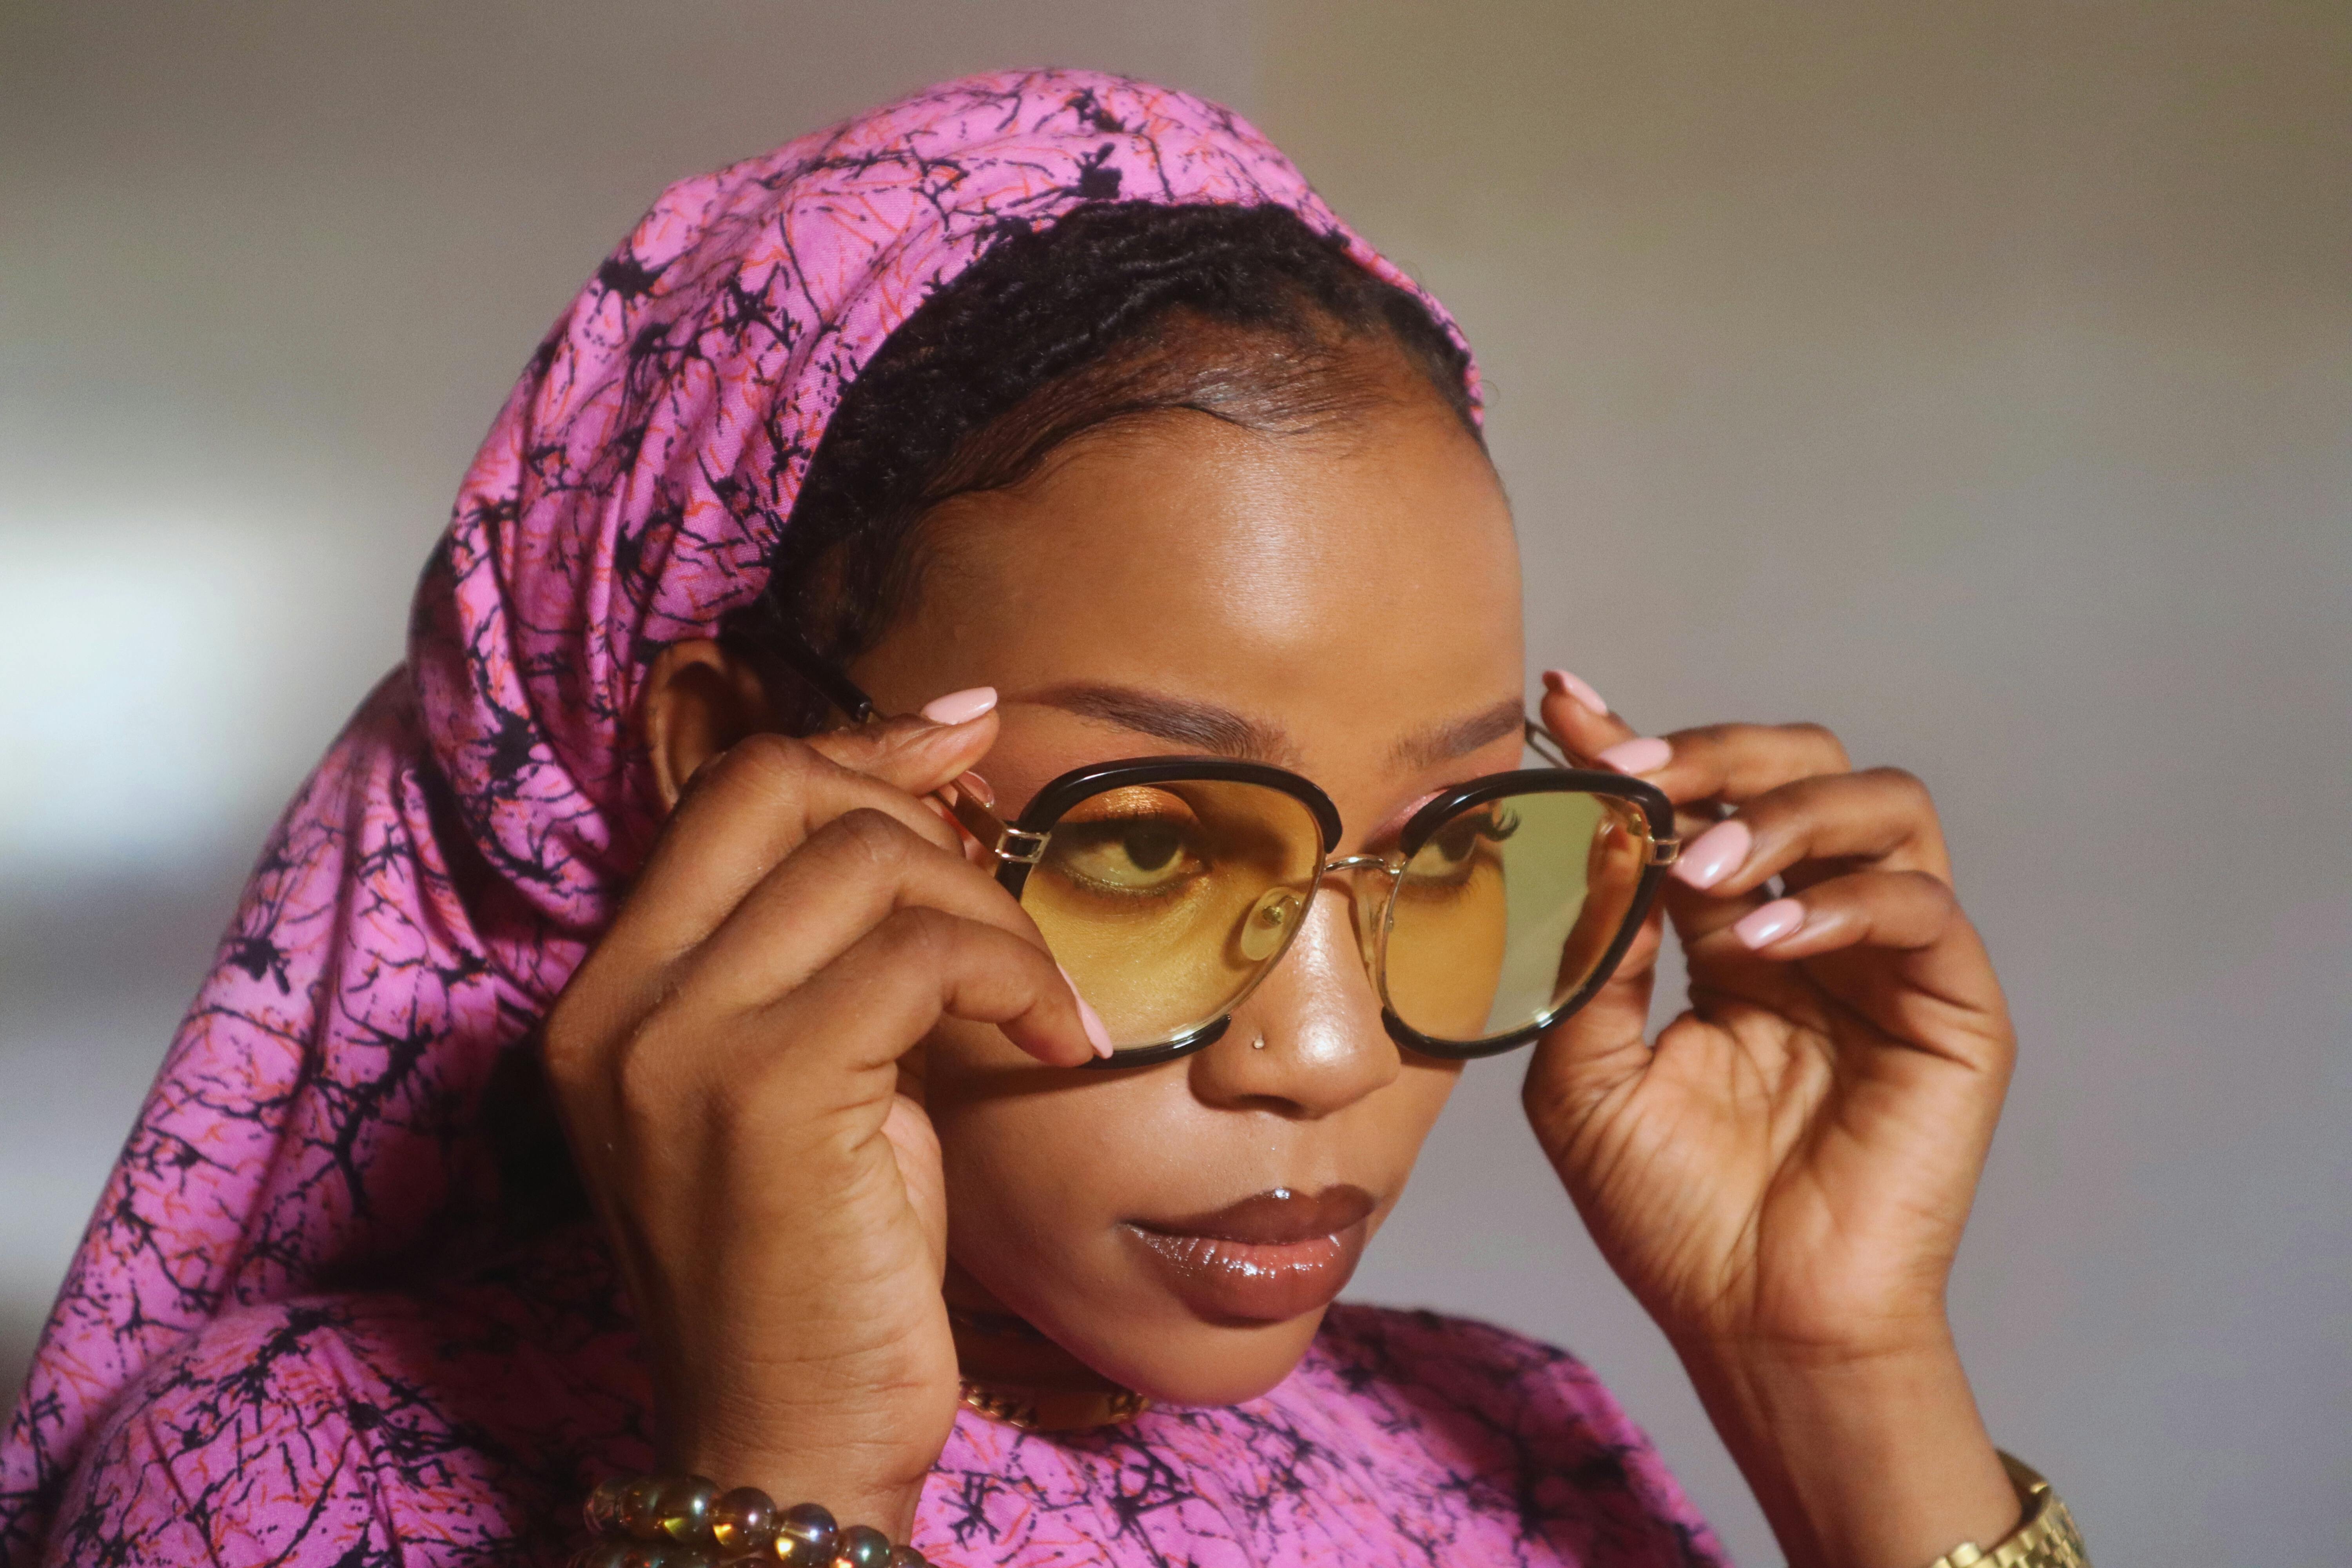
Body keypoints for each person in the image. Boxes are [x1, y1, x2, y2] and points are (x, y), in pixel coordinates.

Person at [0, 70, 2085, 1568]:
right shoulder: (276, 1486)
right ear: (732, 769)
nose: (1330, 1058)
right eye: (1156, 850)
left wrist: (1841, 1372)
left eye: (1449, 846)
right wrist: (784, 1483)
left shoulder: (1509, 1459)